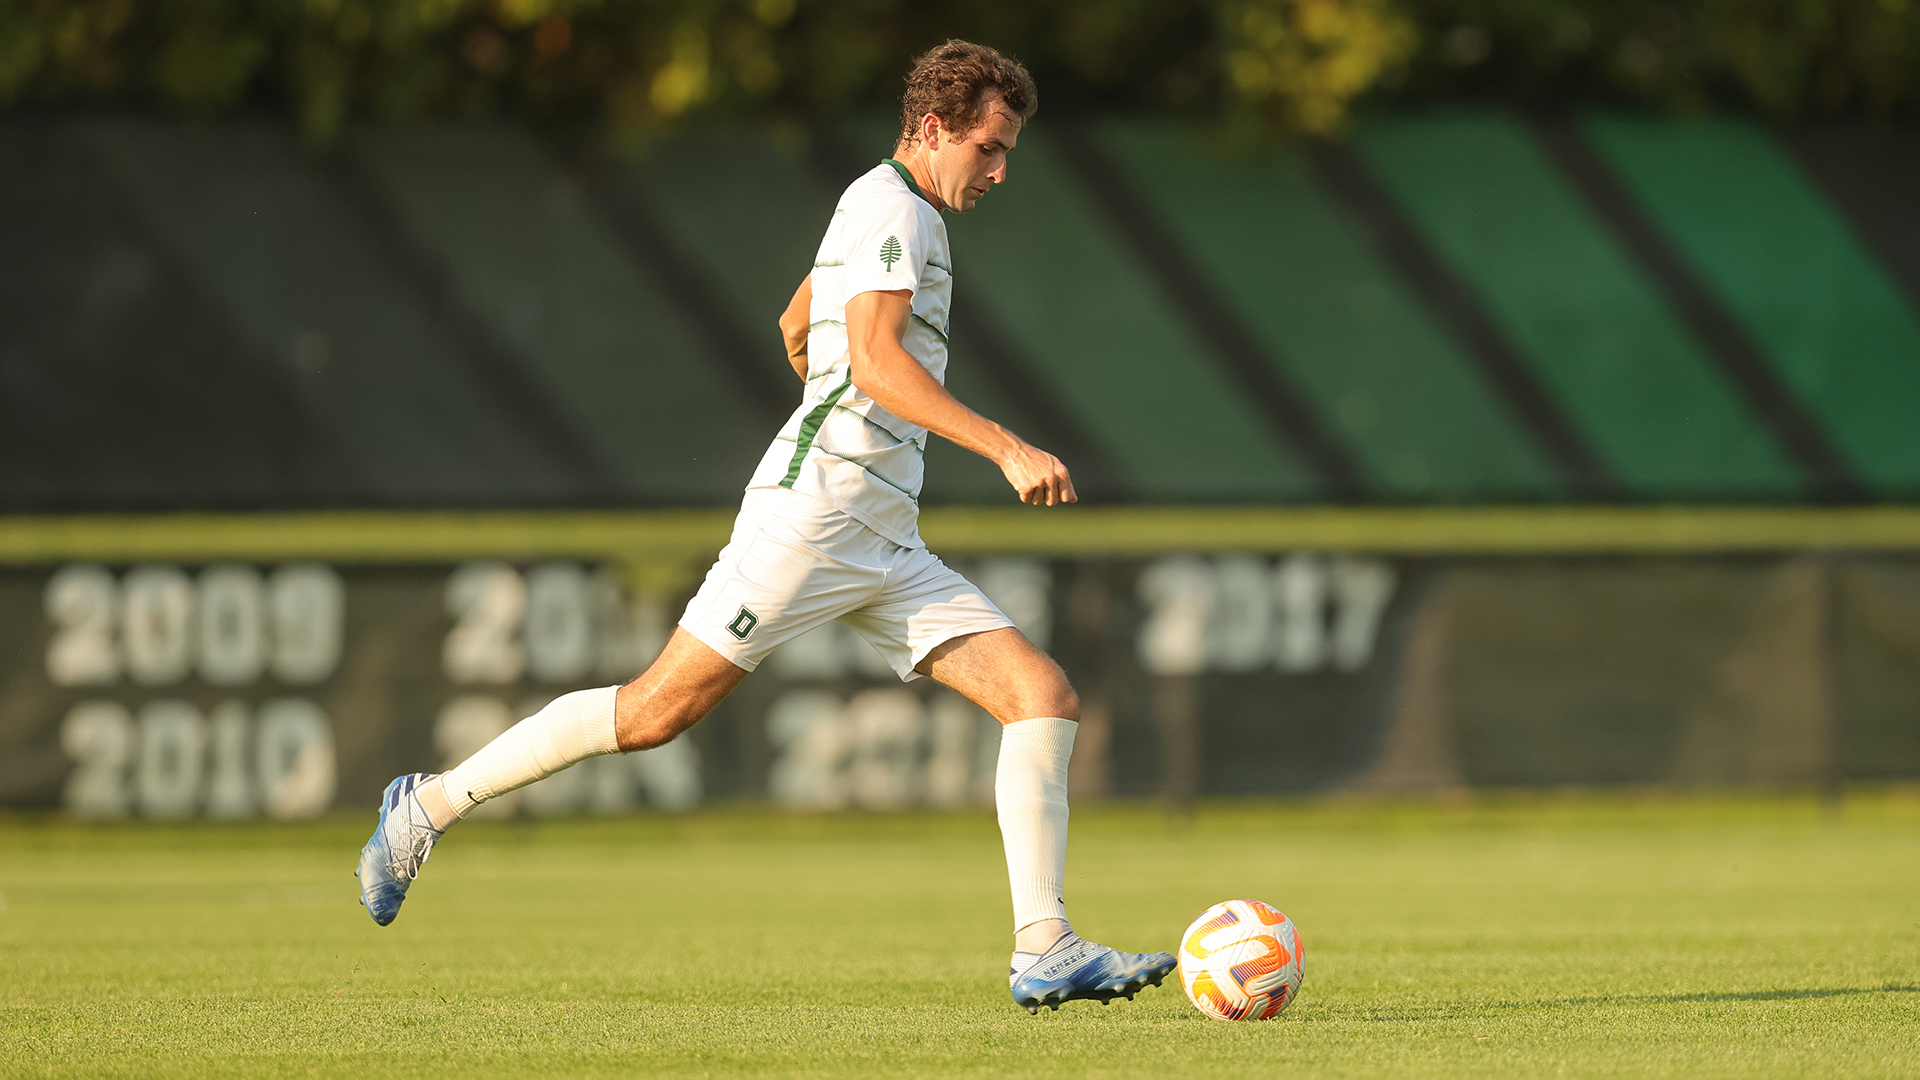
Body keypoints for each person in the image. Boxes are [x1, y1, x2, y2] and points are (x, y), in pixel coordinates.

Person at [357, 39, 1176, 1014]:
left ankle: (1044, 945)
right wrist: (1000, 445)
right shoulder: (893, 208)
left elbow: (799, 324)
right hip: (815, 521)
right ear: (933, 128)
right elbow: (870, 359)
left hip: (882, 534)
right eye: (991, 148)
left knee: (1041, 696)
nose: (1000, 169)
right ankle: (428, 806)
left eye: (1008, 151)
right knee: (656, 712)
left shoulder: (893, 209)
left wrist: (833, 385)